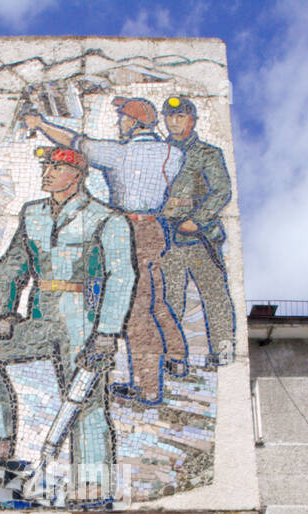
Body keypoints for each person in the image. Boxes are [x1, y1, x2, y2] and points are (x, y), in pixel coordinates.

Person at [0, 147, 134, 497]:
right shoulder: (33, 214)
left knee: (85, 395)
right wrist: (2, 313)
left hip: (83, 318)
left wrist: (107, 333)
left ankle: (92, 479)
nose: (48, 172)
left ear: (77, 175)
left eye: (57, 167)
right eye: (46, 166)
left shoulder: (106, 218)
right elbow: (11, 264)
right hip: (41, 315)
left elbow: (121, 275)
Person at [25, 97, 186, 403]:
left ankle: (148, 387)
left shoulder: (119, 154)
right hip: (156, 230)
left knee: (136, 311)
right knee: (155, 298)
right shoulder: (173, 153)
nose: (118, 123)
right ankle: (176, 356)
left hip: (131, 229)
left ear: (133, 123)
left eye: (122, 118)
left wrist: (41, 124)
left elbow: (75, 142)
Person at [160, 95, 236, 365]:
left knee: (214, 293)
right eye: (170, 116)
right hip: (168, 238)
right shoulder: (160, 152)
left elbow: (221, 191)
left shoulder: (207, 153)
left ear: (192, 120)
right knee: (170, 296)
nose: (174, 122)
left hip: (200, 237)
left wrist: (197, 219)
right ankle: (173, 354)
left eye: (180, 116)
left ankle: (223, 347)